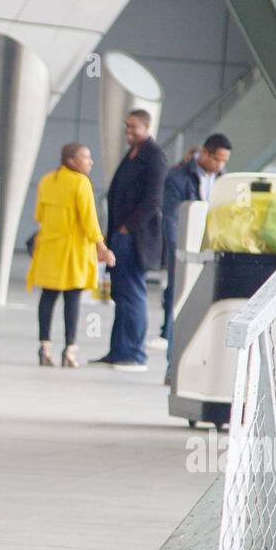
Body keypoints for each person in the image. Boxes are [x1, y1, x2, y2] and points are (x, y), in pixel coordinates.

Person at [90, 108, 167, 372]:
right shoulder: (133, 153)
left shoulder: (154, 156)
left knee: (133, 293)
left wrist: (126, 229)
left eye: (134, 127)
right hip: (120, 236)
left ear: (147, 127)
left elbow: (153, 200)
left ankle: (134, 354)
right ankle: (118, 351)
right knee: (121, 294)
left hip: (136, 238)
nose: (129, 132)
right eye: (127, 126)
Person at [27, 143, 113, 367]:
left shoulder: (47, 180)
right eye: (86, 157)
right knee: (72, 299)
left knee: (48, 296)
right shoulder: (81, 183)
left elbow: (39, 215)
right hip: (74, 251)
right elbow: (89, 221)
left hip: (49, 249)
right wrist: (102, 247)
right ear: (71, 160)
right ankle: (70, 350)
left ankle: (44, 347)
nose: (90, 162)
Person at [162, 132, 231, 368]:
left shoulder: (223, 180)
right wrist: (177, 253)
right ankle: (174, 365)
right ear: (204, 152)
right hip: (184, 252)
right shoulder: (178, 177)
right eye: (217, 159)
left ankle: (199, 363)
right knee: (178, 305)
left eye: (224, 161)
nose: (220, 165)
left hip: (211, 252)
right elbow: (171, 218)